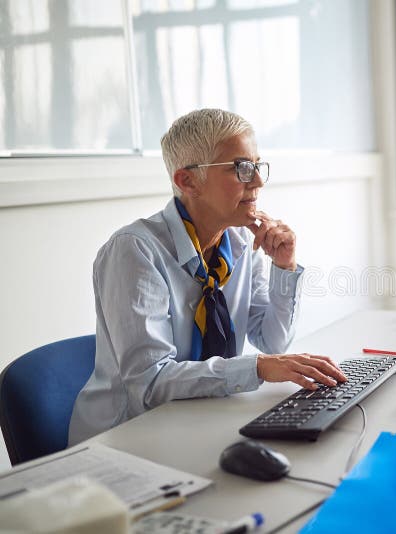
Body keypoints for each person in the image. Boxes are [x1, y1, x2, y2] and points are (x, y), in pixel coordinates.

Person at [68, 109, 346, 444]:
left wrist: (284, 267)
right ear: (187, 181)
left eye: (258, 166)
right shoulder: (135, 252)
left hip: (200, 420)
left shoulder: (242, 242)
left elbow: (273, 341)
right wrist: (257, 368)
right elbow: (150, 384)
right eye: (241, 168)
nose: (257, 181)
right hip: (125, 439)